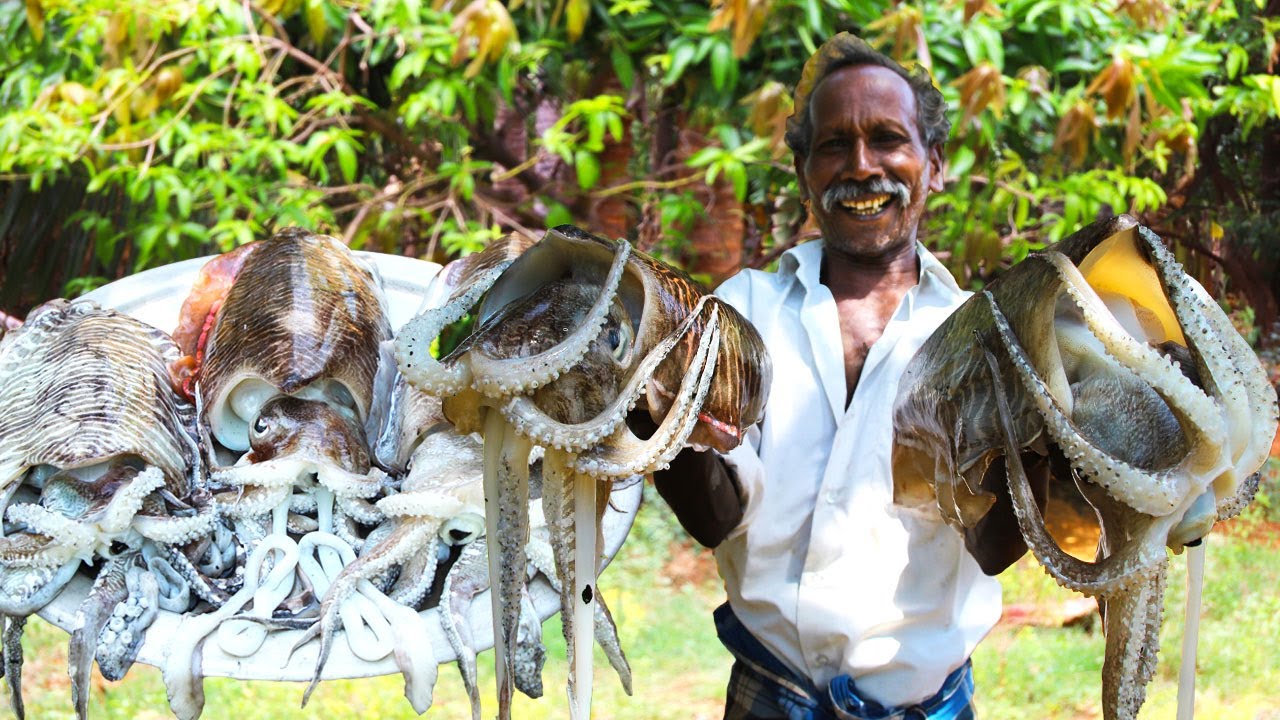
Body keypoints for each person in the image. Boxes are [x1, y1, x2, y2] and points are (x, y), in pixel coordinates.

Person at [645, 33, 1026, 720]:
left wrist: (1062, 446)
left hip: (925, 705)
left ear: (933, 164)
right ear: (804, 171)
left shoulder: (985, 339)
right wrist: (659, 421)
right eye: (832, 145)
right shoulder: (743, 309)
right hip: (771, 694)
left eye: (887, 139)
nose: (861, 165)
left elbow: (994, 546)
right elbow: (717, 517)